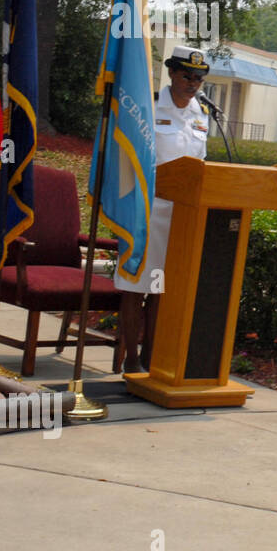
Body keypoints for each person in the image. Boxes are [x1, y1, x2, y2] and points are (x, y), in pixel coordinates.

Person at [115, 45, 210, 372]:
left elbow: (200, 166)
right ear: (171, 72)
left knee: (159, 289)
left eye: (199, 78)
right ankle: (131, 359)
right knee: (135, 286)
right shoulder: (149, 106)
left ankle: (151, 358)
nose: (193, 83)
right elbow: (129, 158)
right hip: (146, 211)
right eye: (187, 75)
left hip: (181, 215)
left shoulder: (202, 115)